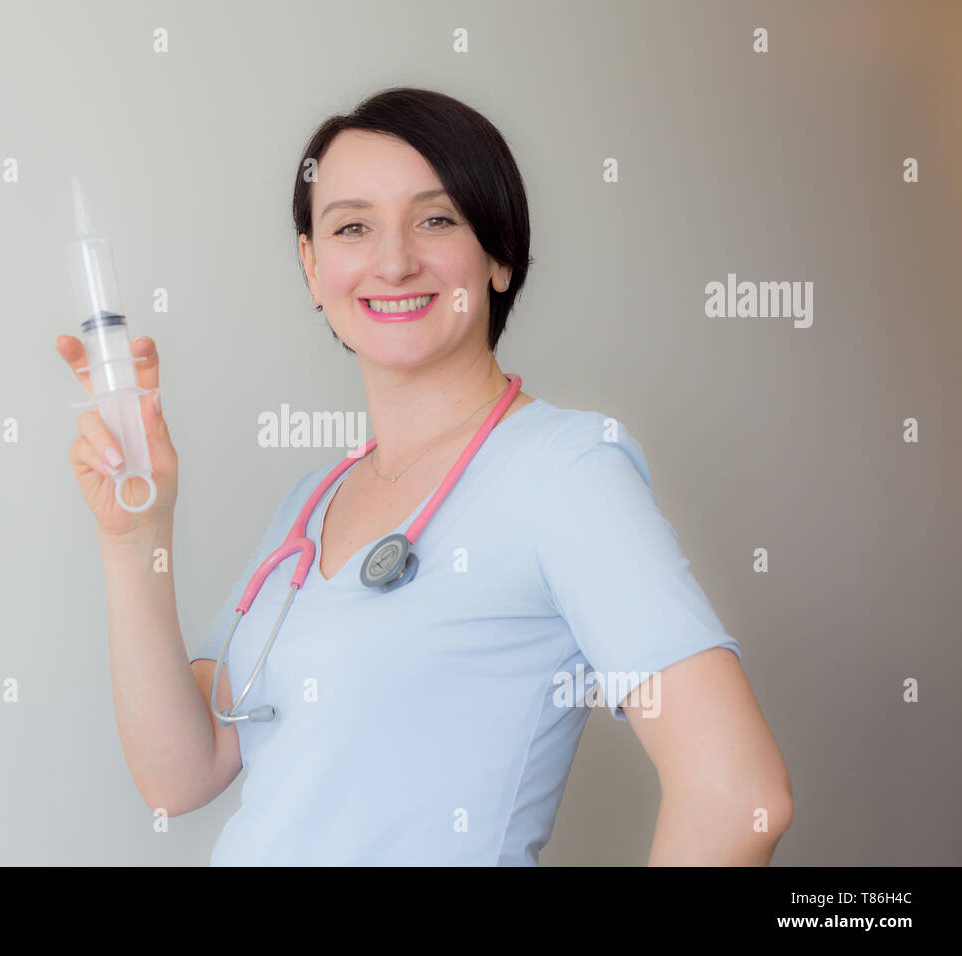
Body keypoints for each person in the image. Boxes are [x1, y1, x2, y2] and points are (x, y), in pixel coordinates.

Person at [56, 87, 793, 866]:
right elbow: (182, 773)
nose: (394, 260)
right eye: (351, 227)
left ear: (500, 255)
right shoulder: (313, 503)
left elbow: (740, 797)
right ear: (312, 267)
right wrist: (136, 535)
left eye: (436, 219)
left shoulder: (566, 472)